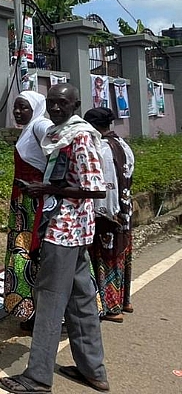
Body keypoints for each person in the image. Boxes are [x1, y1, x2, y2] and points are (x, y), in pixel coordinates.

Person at [0, 83, 109, 394]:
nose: (56, 108)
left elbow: (95, 188)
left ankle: (37, 377)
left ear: (75, 104)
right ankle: (93, 370)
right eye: (51, 103)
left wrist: (46, 190)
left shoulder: (80, 136)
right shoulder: (61, 134)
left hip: (65, 230)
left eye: (62, 103)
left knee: (49, 301)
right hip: (72, 230)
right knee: (81, 300)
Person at [4, 91, 52, 331]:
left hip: (35, 205)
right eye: (16, 107)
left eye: (23, 107)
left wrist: (45, 184)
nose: (18, 111)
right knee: (26, 255)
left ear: (36, 107)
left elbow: (58, 154)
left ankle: (40, 313)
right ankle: (30, 310)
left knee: (33, 254)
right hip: (23, 204)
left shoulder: (42, 125)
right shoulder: (29, 129)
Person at [84, 107, 135, 323]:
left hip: (109, 214)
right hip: (124, 211)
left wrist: (100, 213)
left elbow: (105, 185)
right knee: (121, 255)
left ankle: (112, 307)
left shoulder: (102, 149)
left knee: (107, 258)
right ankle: (124, 300)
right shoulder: (123, 144)